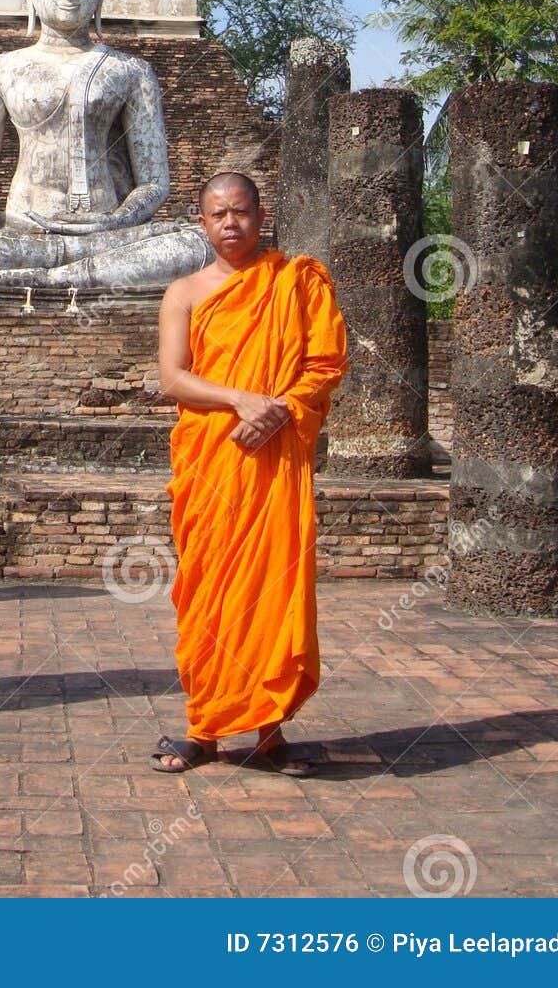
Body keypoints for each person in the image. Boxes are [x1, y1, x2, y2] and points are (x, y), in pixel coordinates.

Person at [151, 171, 348, 777]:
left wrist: (279, 408)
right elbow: (173, 378)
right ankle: (204, 729)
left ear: (261, 216)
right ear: (202, 222)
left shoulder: (296, 283)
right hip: (213, 456)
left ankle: (269, 732)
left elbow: (324, 361)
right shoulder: (184, 291)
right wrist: (242, 400)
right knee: (210, 589)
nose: (230, 223)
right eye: (217, 214)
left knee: (270, 584)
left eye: (240, 212)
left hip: (274, 458)